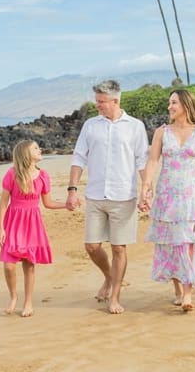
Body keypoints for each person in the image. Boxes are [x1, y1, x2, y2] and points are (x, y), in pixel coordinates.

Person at [65, 80, 149, 314]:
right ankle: (109, 276)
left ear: (115, 101)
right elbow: (79, 157)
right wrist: (72, 190)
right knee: (92, 246)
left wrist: (146, 189)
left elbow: (142, 160)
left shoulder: (135, 126)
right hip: (95, 195)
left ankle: (115, 296)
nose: (98, 106)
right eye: (97, 101)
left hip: (124, 196)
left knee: (119, 248)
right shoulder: (91, 126)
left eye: (101, 102)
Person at [139, 89, 195, 312]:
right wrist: (145, 187)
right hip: (166, 196)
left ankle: (187, 293)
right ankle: (178, 288)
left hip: (191, 197)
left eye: (173, 103)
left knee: (188, 243)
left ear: (186, 105)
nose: (169, 107)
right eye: (169, 103)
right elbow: (153, 161)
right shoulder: (161, 132)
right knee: (169, 244)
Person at [0, 140, 66, 317]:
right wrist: (0, 228)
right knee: (9, 265)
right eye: (35, 148)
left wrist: (67, 205)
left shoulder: (43, 176)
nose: (40, 149)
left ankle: (28, 302)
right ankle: (13, 297)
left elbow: (48, 203)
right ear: (25, 154)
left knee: (29, 264)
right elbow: (3, 203)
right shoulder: (12, 174)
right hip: (13, 221)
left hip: (33, 223)